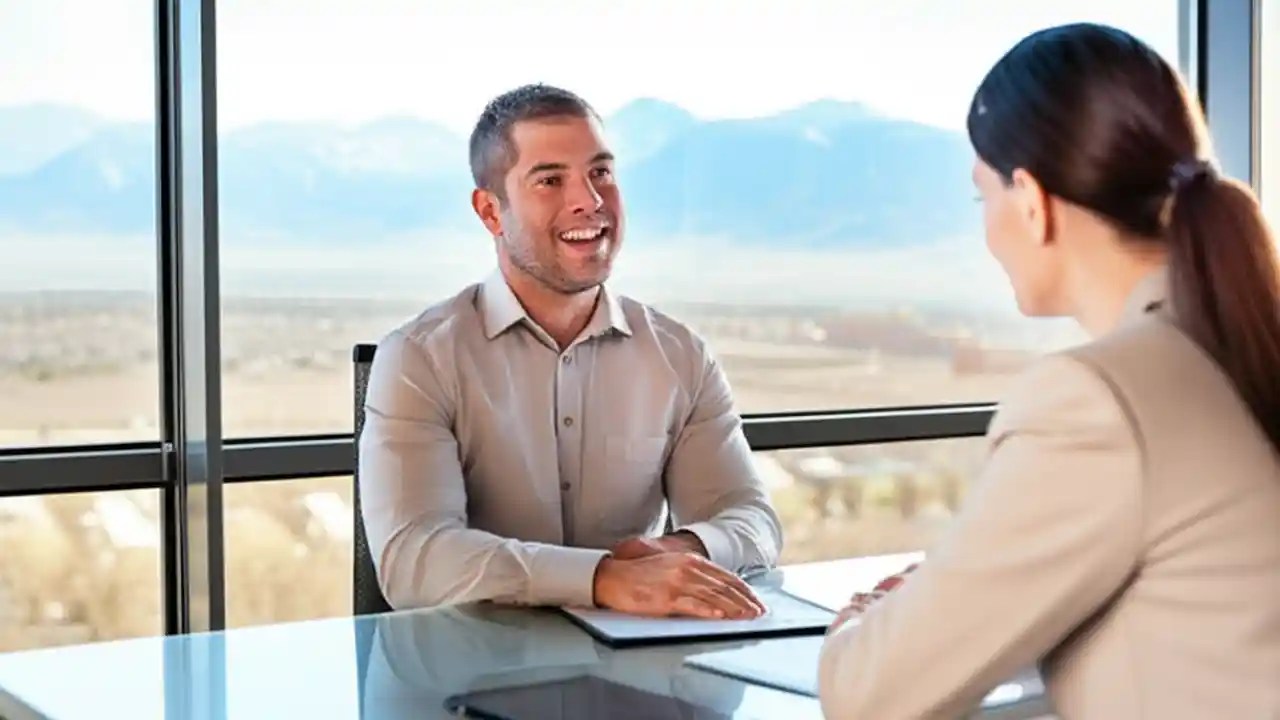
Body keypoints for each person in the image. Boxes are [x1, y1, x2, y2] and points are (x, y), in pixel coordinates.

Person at [818, 23, 1280, 719]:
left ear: (1031, 201)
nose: (986, 229)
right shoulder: (1235, 344)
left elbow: (868, 693)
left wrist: (868, 620)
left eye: (984, 197)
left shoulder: (1096, 399)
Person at [358, 84, 781, 622]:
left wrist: (680, 553)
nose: (589, 200)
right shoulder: (418, 359)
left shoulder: (681, 355)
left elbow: (751, 520)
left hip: (638, 681)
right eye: (551, 180)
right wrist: (603, 578)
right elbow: (414, 561)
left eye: (600, 172)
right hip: (467, 681)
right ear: (491, 211)